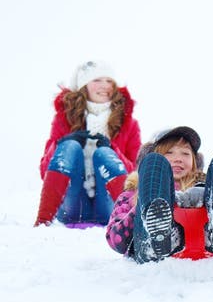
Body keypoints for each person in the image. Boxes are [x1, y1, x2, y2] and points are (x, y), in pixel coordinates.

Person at [105, 126, 213, 263]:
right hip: (155, 252)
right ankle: (161, 234)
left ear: (194, 162)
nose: (178, 158)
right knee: (155, 175)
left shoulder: (208, 190)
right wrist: (142, 205)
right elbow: (116, 240)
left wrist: (205, 199)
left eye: (185, 153)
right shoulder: (131, 194)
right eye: (169, 152)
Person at [36, 60, 141, 227]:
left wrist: (111, 149)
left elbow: (136, 175)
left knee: (103, 153)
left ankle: (131, 221)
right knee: (70, 146)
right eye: (97, 80)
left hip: (109, 206)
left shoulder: (129, 124)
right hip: (73, 205)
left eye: (109, 81)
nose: (105, 86)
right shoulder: (63, 119)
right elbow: (45, 172)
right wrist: (62, 143)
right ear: (84, 85)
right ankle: (42, 223)